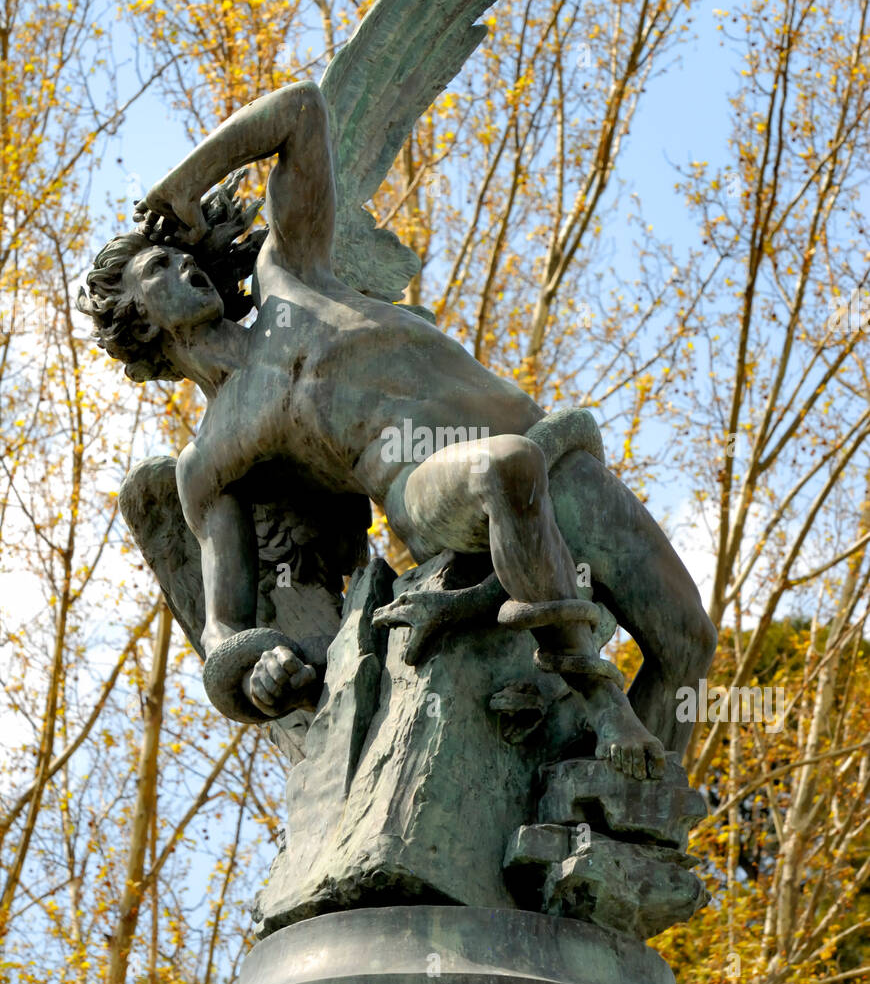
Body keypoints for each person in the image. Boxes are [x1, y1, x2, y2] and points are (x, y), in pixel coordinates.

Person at [79, 81, 716, 778]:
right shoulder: (211, 458)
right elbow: (222, 627)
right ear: (138, 321)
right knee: (504, 468)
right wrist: (255, 670)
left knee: (689, 644)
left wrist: (186, 183)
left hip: (552, 450)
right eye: (159, 269)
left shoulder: (289, 277)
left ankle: (634, 821)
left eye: (179, 254)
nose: (185, 267)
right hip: (435, 485)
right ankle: (602, 700)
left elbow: (301, 110)